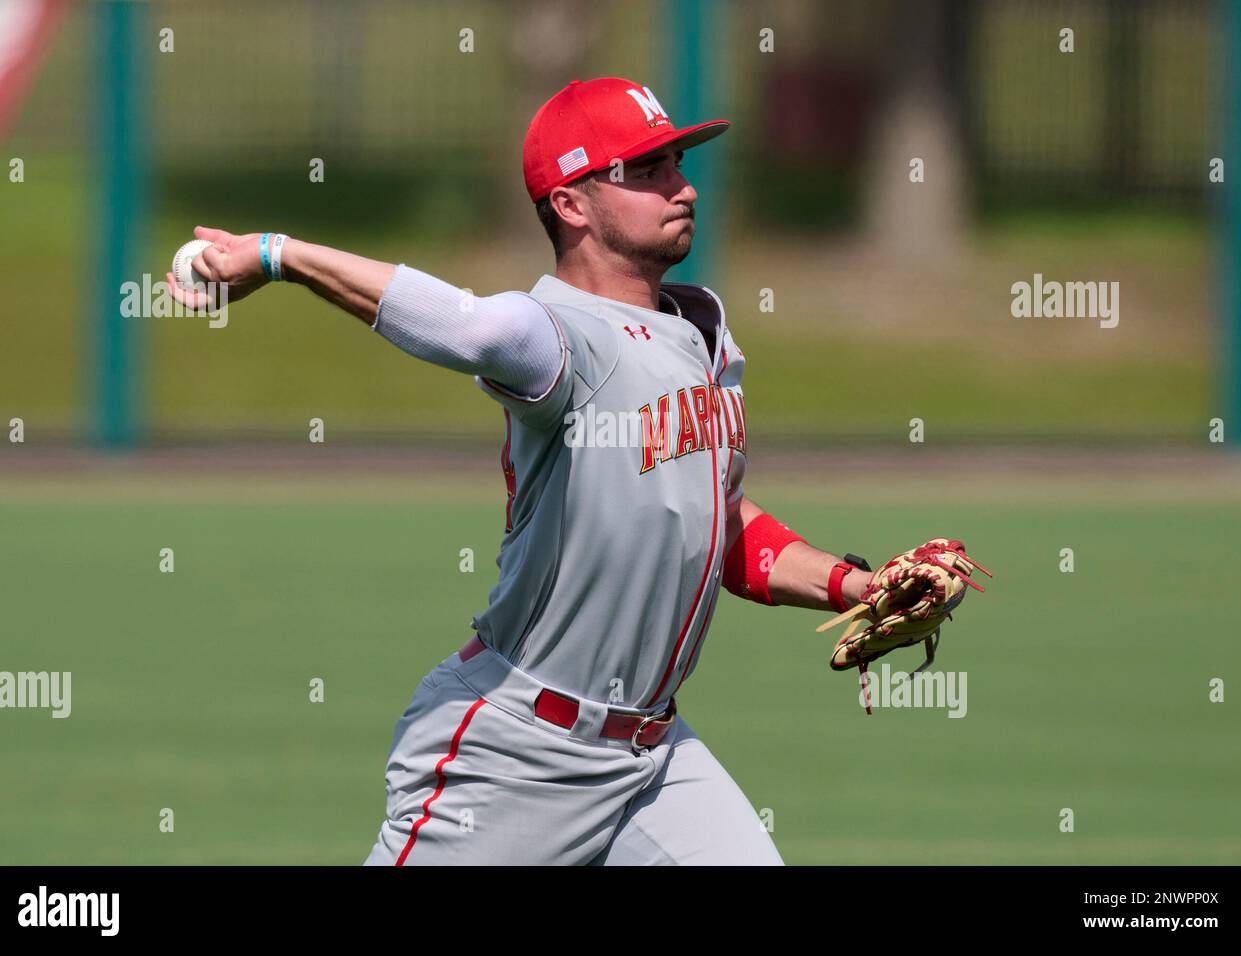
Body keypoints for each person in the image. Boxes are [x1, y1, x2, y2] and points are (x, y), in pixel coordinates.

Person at [169, 77, 876, 866]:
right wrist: (280, 255)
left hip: (655, 761)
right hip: (516, 755)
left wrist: (855, 586)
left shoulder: (702, 329)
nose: (682, 186)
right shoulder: (552, 336)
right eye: (645, 171)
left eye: (676, 161)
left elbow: (711, 516)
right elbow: (465, 324)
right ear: (572, 204)